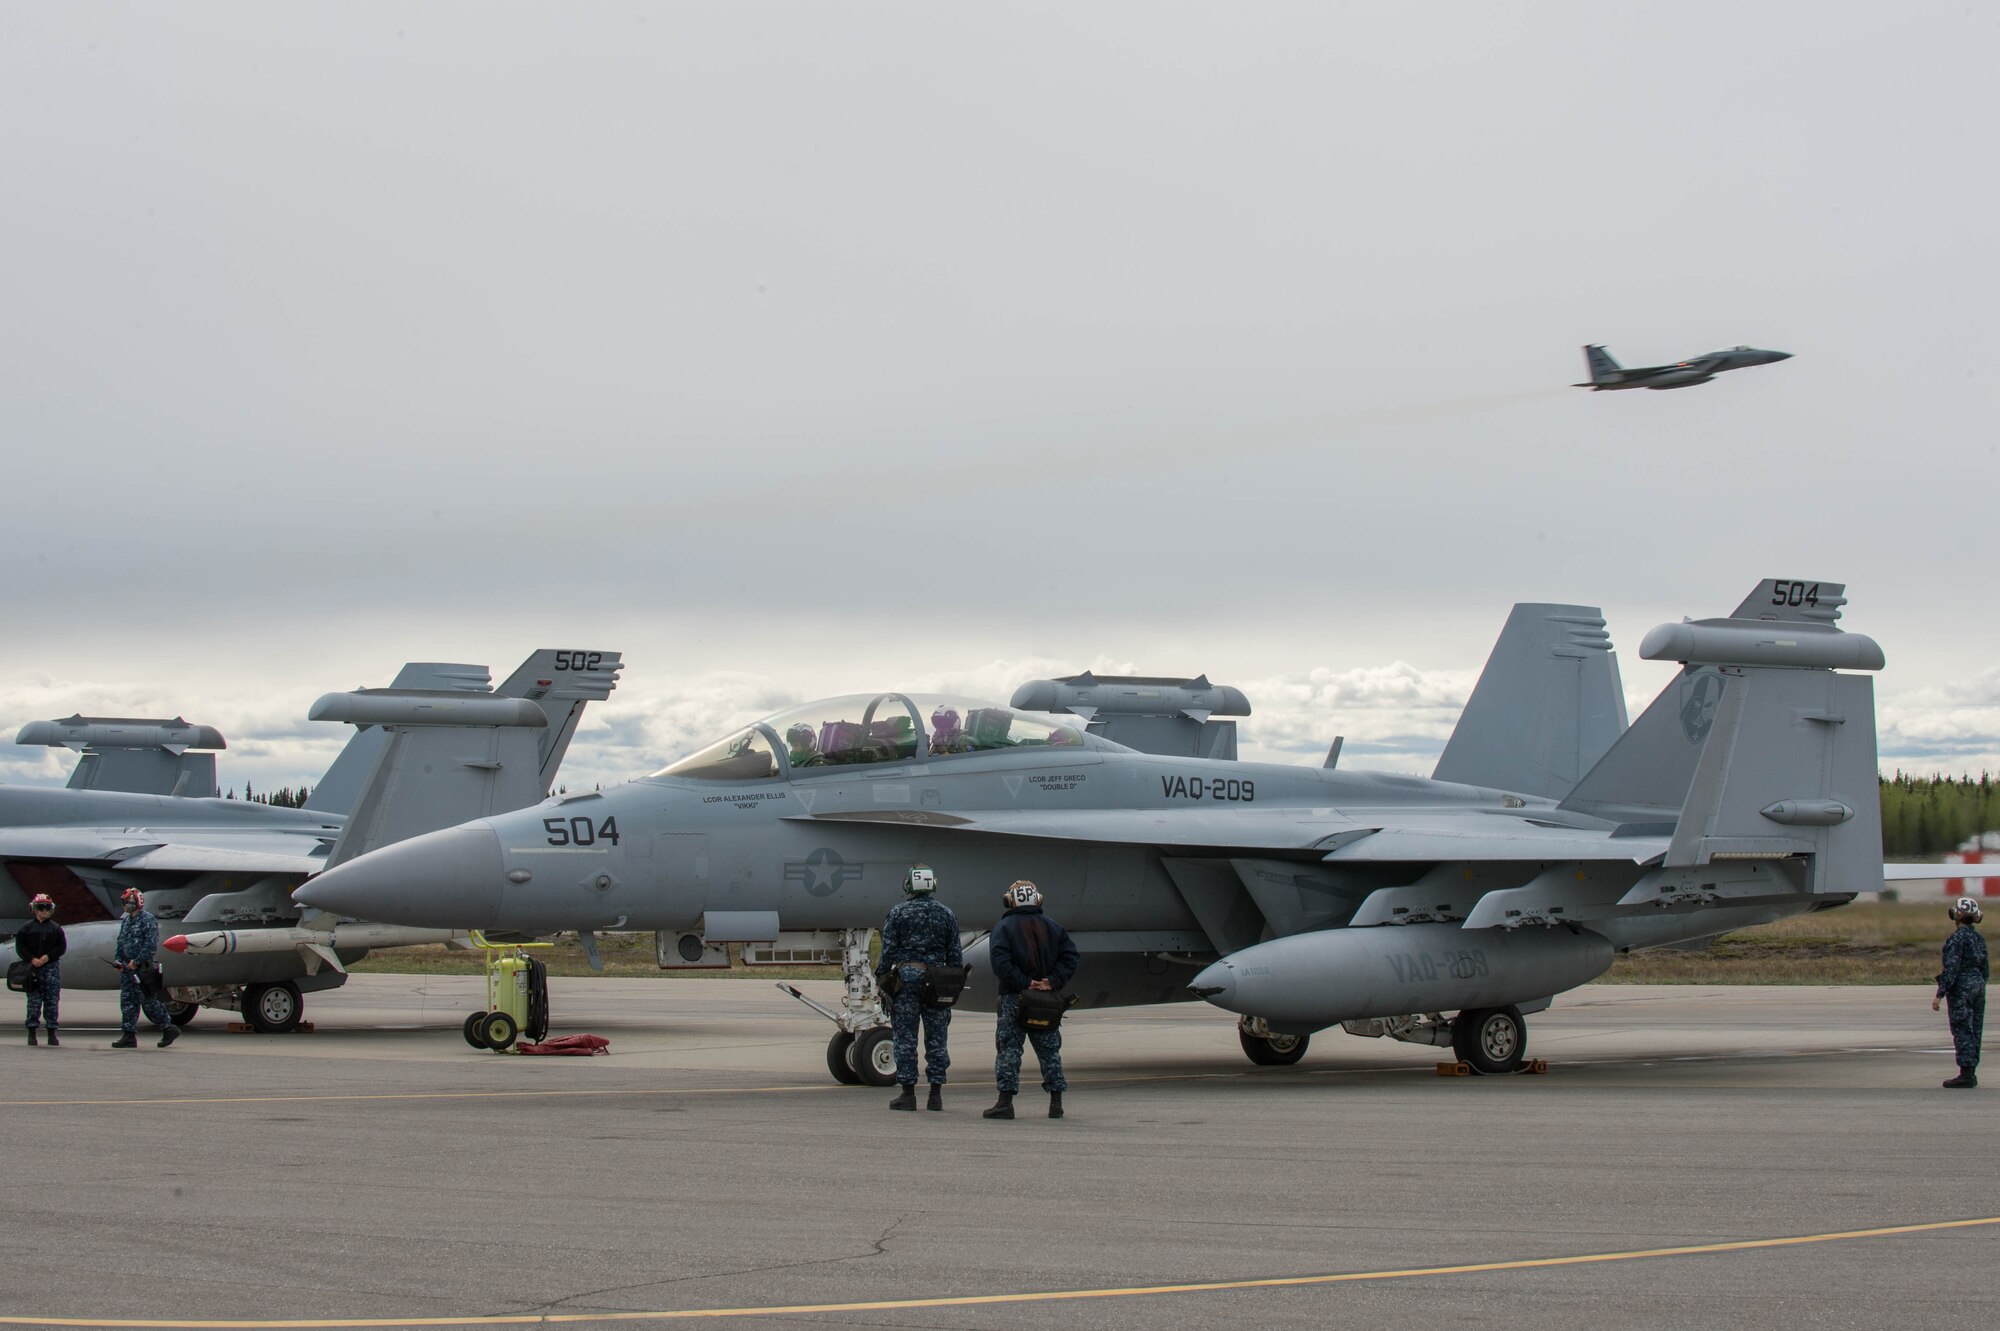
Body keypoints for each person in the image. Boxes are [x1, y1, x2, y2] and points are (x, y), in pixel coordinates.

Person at [983, 879, 1080, 1121]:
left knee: (1009, 1050)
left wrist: (1024, 982)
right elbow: (1070, 957)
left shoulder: (1003, 928)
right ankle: (1056, 1103)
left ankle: (1005, 1103)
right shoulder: (1053, 927)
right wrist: (1052, 981)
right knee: (1050, 1051)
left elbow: (1000, 964)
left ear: (1010, 901)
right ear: (1038, 899)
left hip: (1016, 998)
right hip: (1045, 1000)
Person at [873, 864, 962, 1111]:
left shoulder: (898, 913)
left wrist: (881, 977)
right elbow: (955, 956)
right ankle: (936, 1094)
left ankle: (908, 1094)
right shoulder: (946, 914)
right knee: (937, 1038)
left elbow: (887, 952)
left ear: (908, 885)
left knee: (905, 1038)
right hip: (937, 982)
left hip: (907, 981)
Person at [111, 888, 178, 1049]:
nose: (124, 906)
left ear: (134, 903)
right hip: (128, 970)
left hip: (143, 969)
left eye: (126, 902)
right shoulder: (127, 921)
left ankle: (168, 1028)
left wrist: (137, 961)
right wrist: (119, 961)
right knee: (127, 1002)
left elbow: (151, 945)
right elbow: (121, 943)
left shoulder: (147, 919)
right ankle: (128, 1035)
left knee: (149, 1002)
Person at [1933, 896, 1988, 1089]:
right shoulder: (1978, 938)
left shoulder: (1957, 939)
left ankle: (1965, 1074)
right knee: (1975, 1028)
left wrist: (1940, 994)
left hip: (1962, 987)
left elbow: (1951, 968)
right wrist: (1978, 984)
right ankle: (1971, 1072)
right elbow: (1985, 968)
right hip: (1978, 986)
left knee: (1962, 1027)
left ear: (1955, 915)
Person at [16, 893, 65, 1047]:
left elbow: (61, 947)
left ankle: (52, 1032)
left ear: (51, 909)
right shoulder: (26, 928)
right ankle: (32, 1033)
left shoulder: (56, 928)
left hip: (50, 969)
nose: (44, 910)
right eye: (41, 907)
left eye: (46, 907)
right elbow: (20, 947)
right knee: (33, 1002)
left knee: (51, 1001)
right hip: (33, 969)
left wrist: (47, 957)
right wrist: (32, 959)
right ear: (34, 909)